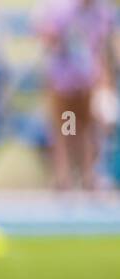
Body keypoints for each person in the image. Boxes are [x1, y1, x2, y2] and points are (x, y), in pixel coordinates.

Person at [35, 0, 118, 190]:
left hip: (88, 80)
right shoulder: (62, 9)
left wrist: (104, 79)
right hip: (64, 81)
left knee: (89, 130)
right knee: (68, 129)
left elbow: (101, 46)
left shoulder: (102, 11)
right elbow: (47, 36)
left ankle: (89, 176)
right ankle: (65, 177)